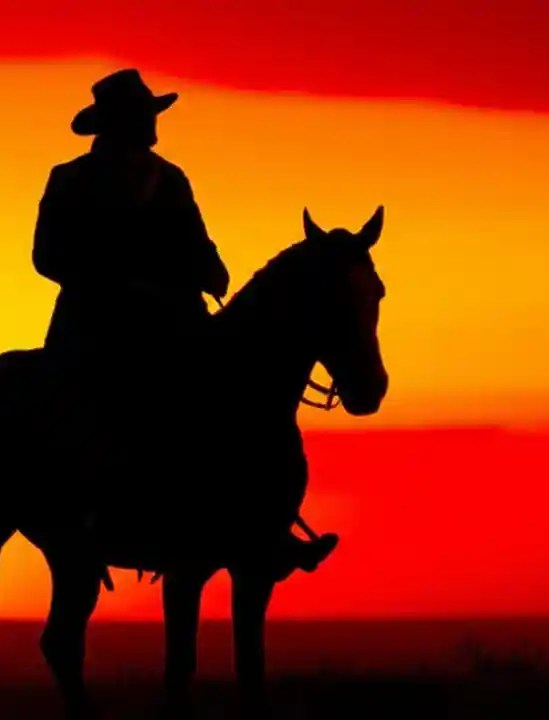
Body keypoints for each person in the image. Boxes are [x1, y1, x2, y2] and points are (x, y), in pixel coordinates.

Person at [32, 69, 334, 576]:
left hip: (175, 322)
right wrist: (117, 281)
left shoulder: (171, 180)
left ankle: (262, 519)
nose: (154, 124)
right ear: (120, 122)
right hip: (97, 326)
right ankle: (88, 514)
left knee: (235, 396)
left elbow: (201, 245)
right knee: (100, 408)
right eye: (145, 115)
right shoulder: (71, 180)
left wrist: (210, 270)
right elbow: (47, 256)